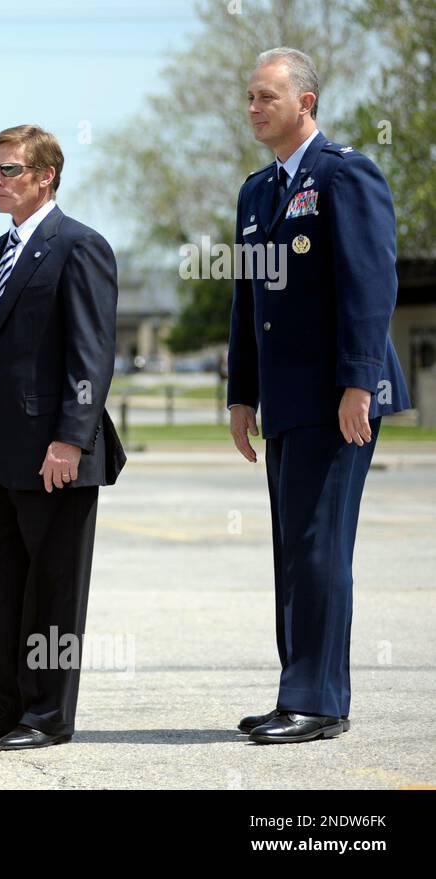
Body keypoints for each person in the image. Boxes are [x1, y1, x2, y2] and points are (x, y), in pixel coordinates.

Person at [229, 48, 410, 744]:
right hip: (284, 400)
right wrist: (241, 393)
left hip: (340, 397)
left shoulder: (345, 173)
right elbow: (248, 302)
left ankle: (320, 699)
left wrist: (360, 380)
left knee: (319, 545)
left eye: (266, 96)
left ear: (305, 102)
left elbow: (371, 284)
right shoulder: (256, 191)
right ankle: (295, 691)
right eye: (249, 97)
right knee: (291, 547)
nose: (254, 108)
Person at [0, 124, 125, 751]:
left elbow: (91, 356)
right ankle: (2, 705)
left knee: (53, 588)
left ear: (45, 176)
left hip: (54, 454)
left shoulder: (80, 247)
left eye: (9, 170)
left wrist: (70, 440)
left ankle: (47, 713)